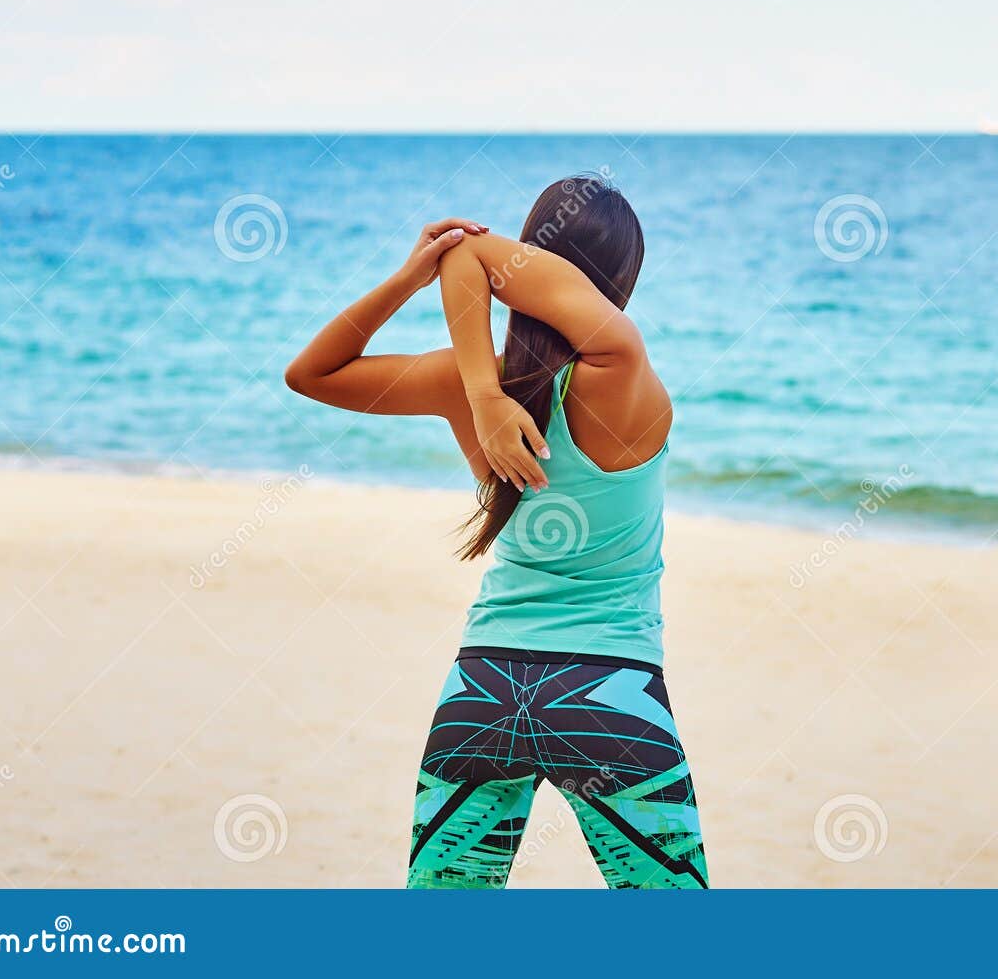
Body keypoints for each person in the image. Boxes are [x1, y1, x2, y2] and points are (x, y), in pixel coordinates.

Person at [285, 175, 708, 889]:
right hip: (609, 691)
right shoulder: (623, 367)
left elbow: (312, 373)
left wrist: (410, 285)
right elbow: (478, 257)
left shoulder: (470, 382)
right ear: (619, 283)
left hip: (482, 690)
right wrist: (486, 394)